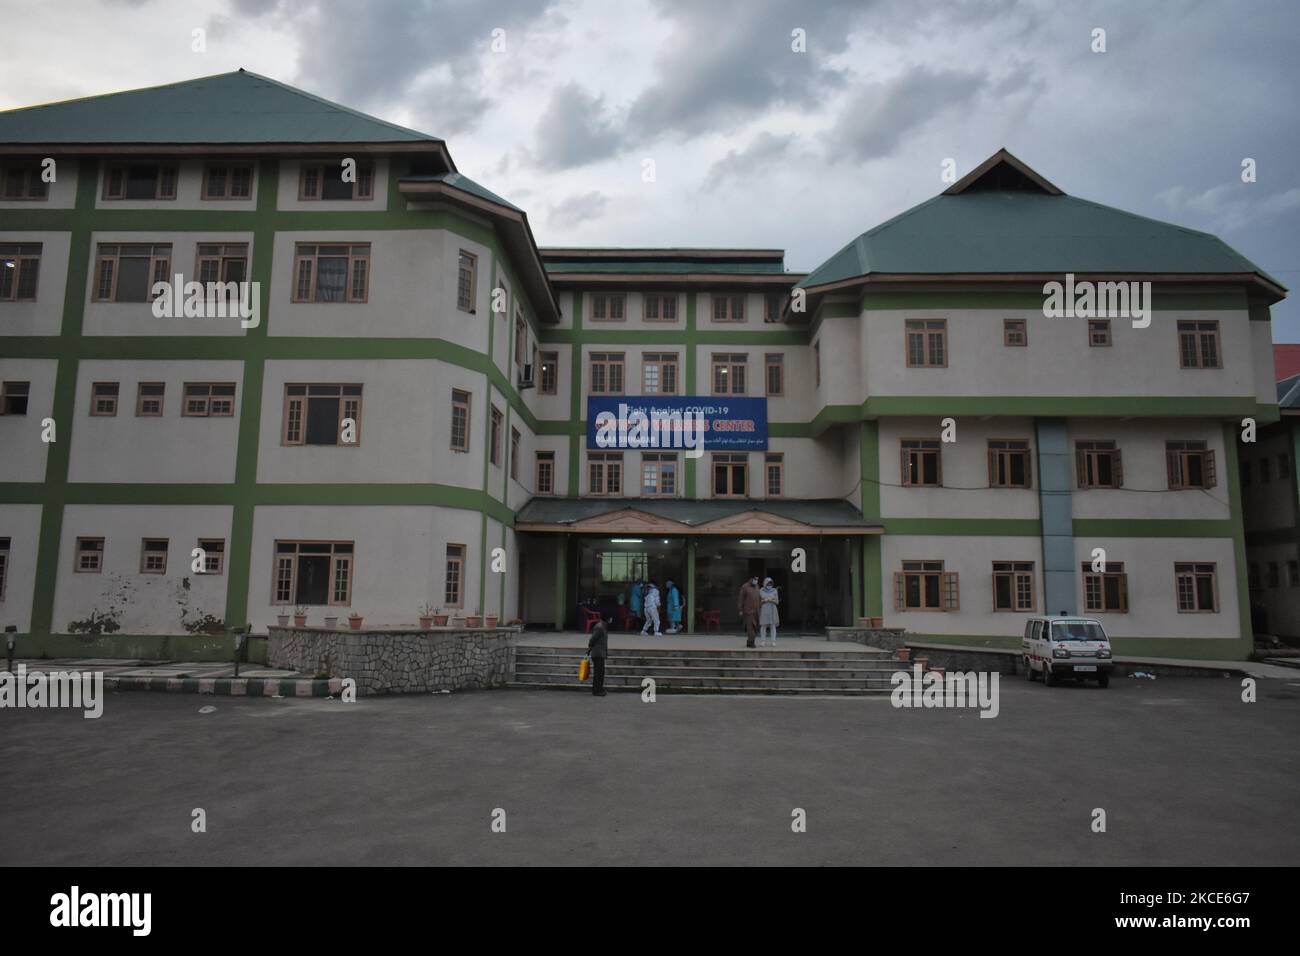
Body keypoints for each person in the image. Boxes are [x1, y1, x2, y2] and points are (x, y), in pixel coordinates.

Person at [587, 615, 610, 696]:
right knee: (598, 673)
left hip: (601, 653)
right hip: (598, 653)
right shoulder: (600, 627)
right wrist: (590, 646)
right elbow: (592, 639)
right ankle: (596, 690)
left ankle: (599, 688)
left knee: (600, 673)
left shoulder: (603, 626)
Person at [738, 576, 761, 647]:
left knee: (755, 628)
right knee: (750, 627)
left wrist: (760, 607)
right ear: (751, 579)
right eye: (755, 579)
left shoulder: (757, 586)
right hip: (748, 611)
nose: (756, 580)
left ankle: (749, 641)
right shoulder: (745, 587)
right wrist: (740, 609)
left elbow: (759, 598)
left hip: (756, 611)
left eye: (757, 579)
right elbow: (741, 599)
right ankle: (752, 642)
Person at [758, 577, 780, 646]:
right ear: (765, 584)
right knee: (763, 626)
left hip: (772, 609)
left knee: (772, 625)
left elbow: (777, 601)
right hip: (764, 610)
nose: (769, 586)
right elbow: (758, 602)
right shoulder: (761, 590)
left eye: (770, 584)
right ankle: (763, 641)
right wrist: (764, 601)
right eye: (768, 584)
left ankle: (773, 641)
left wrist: (771, 600)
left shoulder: (774, 590)